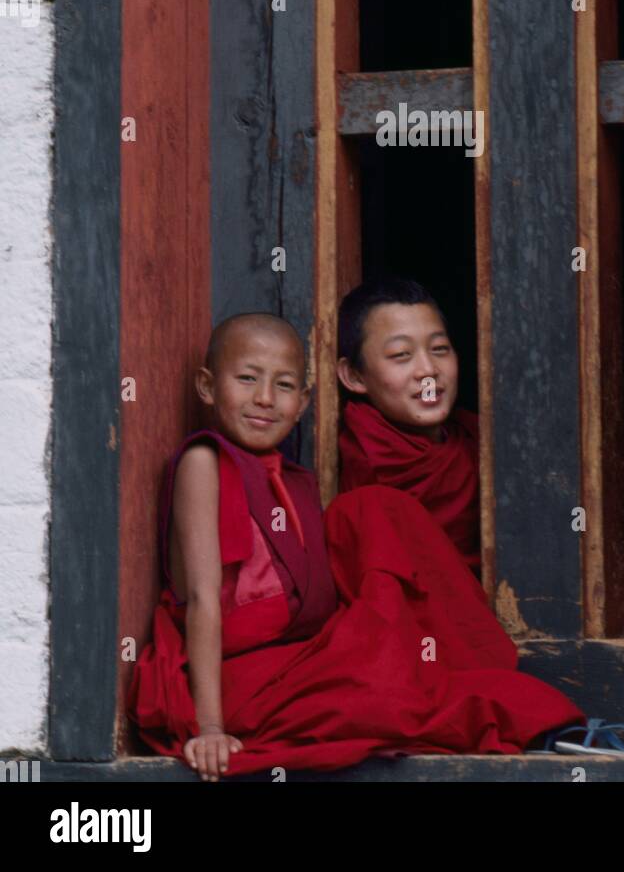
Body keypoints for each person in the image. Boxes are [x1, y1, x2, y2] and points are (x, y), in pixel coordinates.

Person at [127, 312, 584, 779]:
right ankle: (538, 729)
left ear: (303, 401)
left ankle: (539, 723)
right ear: (207, 386)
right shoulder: (204, 463)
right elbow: (204, 599)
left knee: (401, 661)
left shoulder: (295, 482)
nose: (264, 399)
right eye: (246, 379)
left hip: (297, 663)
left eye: (284, 385)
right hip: (236, 681)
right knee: (383, 693)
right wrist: (210, 726)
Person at [336, 278, 624, 640]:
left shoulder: (481, 437)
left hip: (565, 589)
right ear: (353, 376)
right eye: (401, 356)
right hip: (477, 624)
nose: (428, 370)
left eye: (440, 349)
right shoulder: (362, 465)